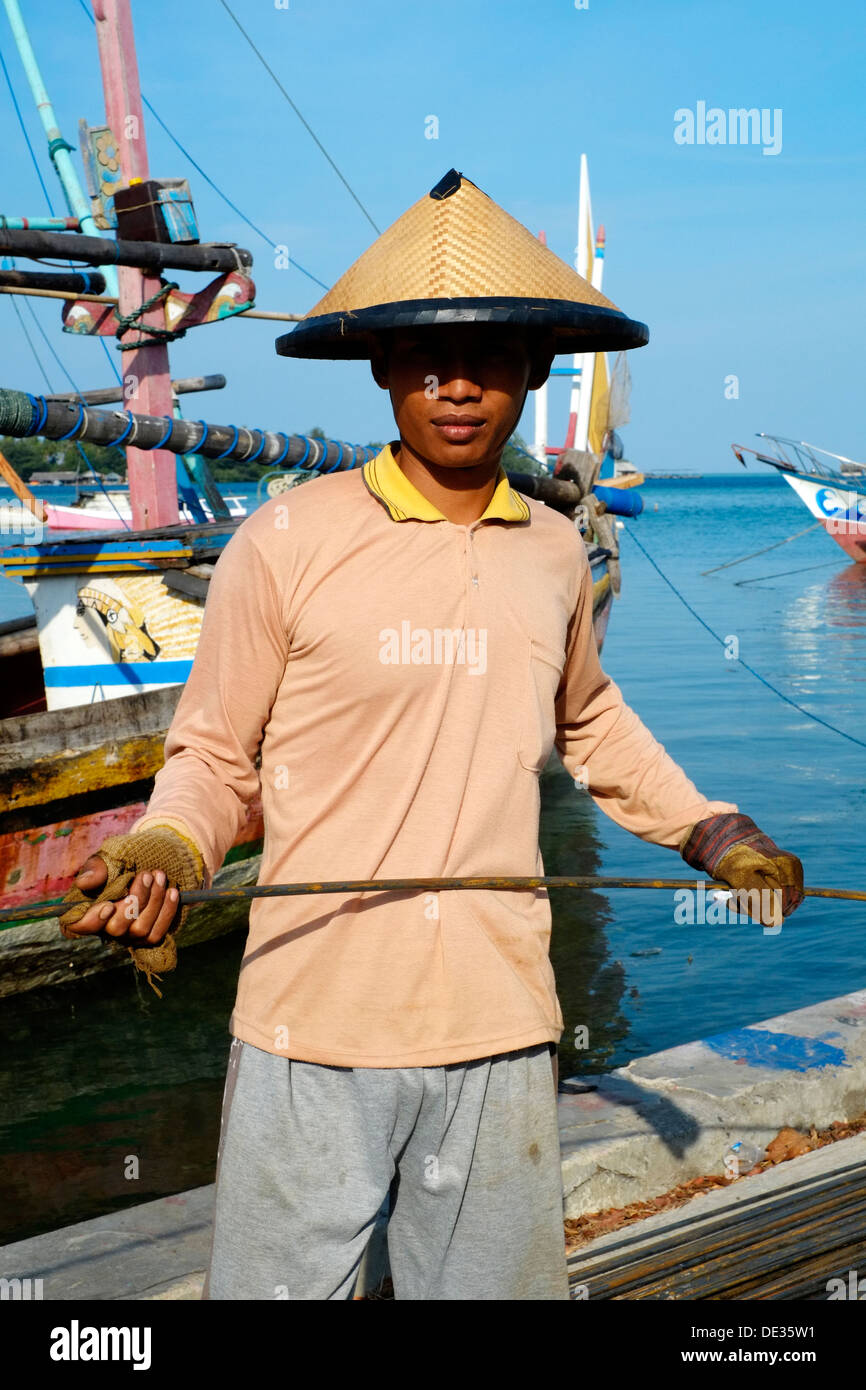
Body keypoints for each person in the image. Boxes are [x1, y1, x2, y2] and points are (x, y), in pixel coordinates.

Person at [59, 170, 804, 1301]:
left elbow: (588, 719)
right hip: (312, 1021)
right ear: (381, 371)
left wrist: (711, 830)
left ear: (533, 371)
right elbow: (213, 755)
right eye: (424, 360)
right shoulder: (288, 538)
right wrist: (167, 851)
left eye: (489, 358)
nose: (456, 386)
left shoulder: (553, 549)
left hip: (499, 1024)